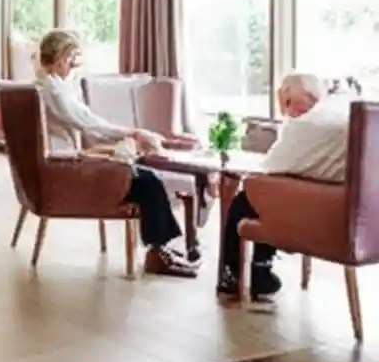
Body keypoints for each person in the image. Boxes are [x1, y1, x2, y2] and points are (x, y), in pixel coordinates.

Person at [34, 29, 196, 277]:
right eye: (70, 58)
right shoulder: (53, 91)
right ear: (60, 58)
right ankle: (157, 253)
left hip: (60, 165)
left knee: (144, 176)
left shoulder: (47, 87)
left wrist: (123, 140)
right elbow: (88, 123)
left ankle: (160, 249)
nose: (72, 65)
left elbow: (85, 124)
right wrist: (134, 133)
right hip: (64, 170)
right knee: (147, 181)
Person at [219, 73, 349, 297]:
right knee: (267, 193)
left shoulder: (303, 126)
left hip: (305, 215)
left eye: (285, 100)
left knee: (248, 199)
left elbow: (271, 167)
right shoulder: (345, 121)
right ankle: (261, 266)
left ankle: (235, 272)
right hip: (344, 215)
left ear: (288, 95)